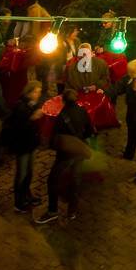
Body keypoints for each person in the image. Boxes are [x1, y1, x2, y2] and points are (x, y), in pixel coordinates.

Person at [36, 87, 95, 225]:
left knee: (52, 180)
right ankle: (72, 211)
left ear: (63, 101)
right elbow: (90, 131)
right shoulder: (82, 111)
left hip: (66, 154)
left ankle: (52, 211)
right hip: (79, 151)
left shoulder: (62, 116)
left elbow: (55, 139)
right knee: (76, 179)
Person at [2, 79, 44, 211]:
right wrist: (32, 118)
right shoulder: (20, 106)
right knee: (21, 174)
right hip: (22, 146)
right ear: (29, 92)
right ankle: (18, 202)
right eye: (36, 92)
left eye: (39, 91)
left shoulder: (33, 104)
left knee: (29, 172)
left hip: (31, 144)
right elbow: (19, 127)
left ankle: (27, 195)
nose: (38, 94)